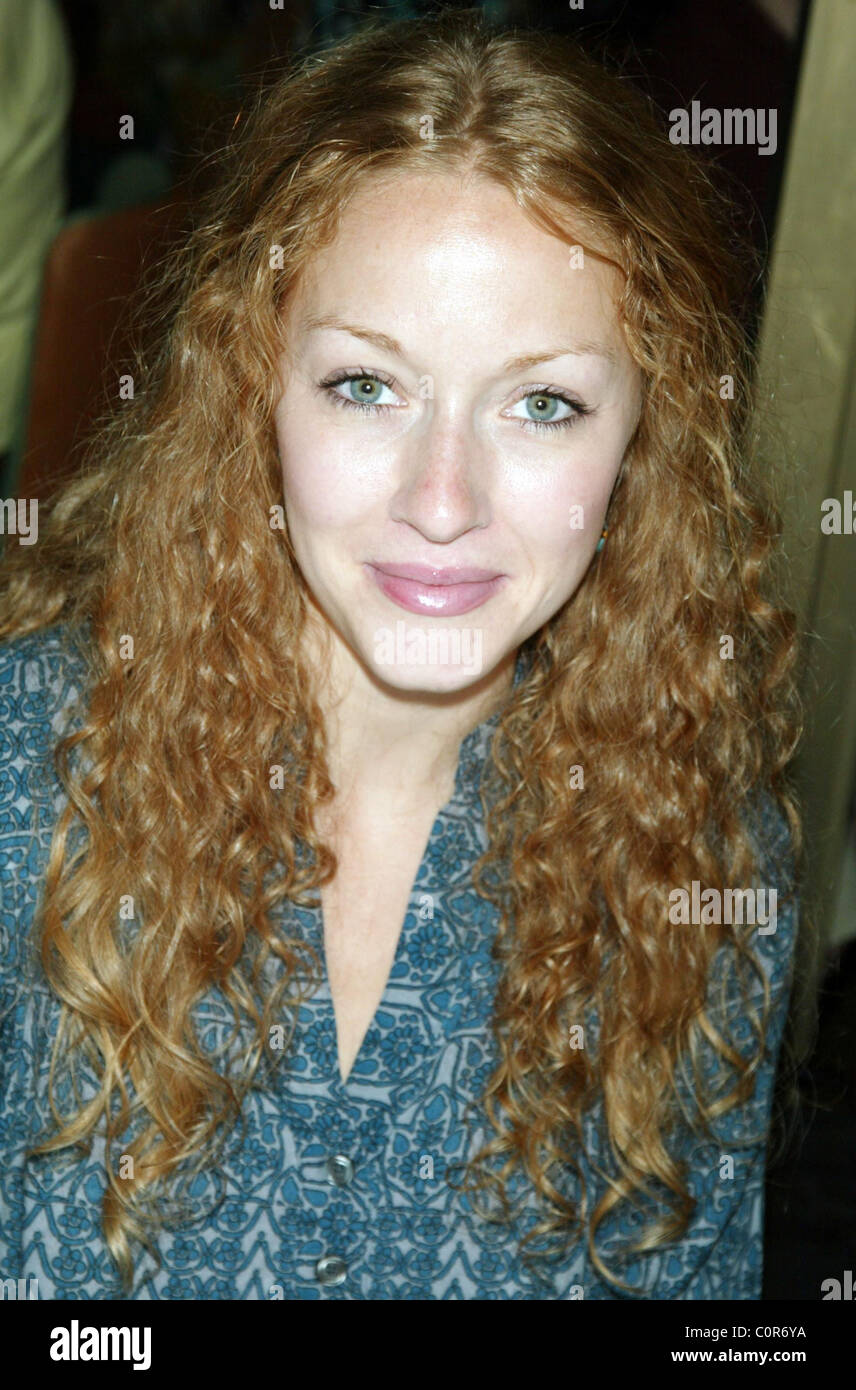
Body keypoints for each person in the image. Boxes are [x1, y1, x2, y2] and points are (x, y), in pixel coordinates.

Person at [0, 8, 803, 1300]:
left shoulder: (704, 870)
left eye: (543, 404)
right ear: (250, 387)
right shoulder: (26, 776)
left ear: (642, 442)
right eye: (366, 386)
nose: (442, 500)